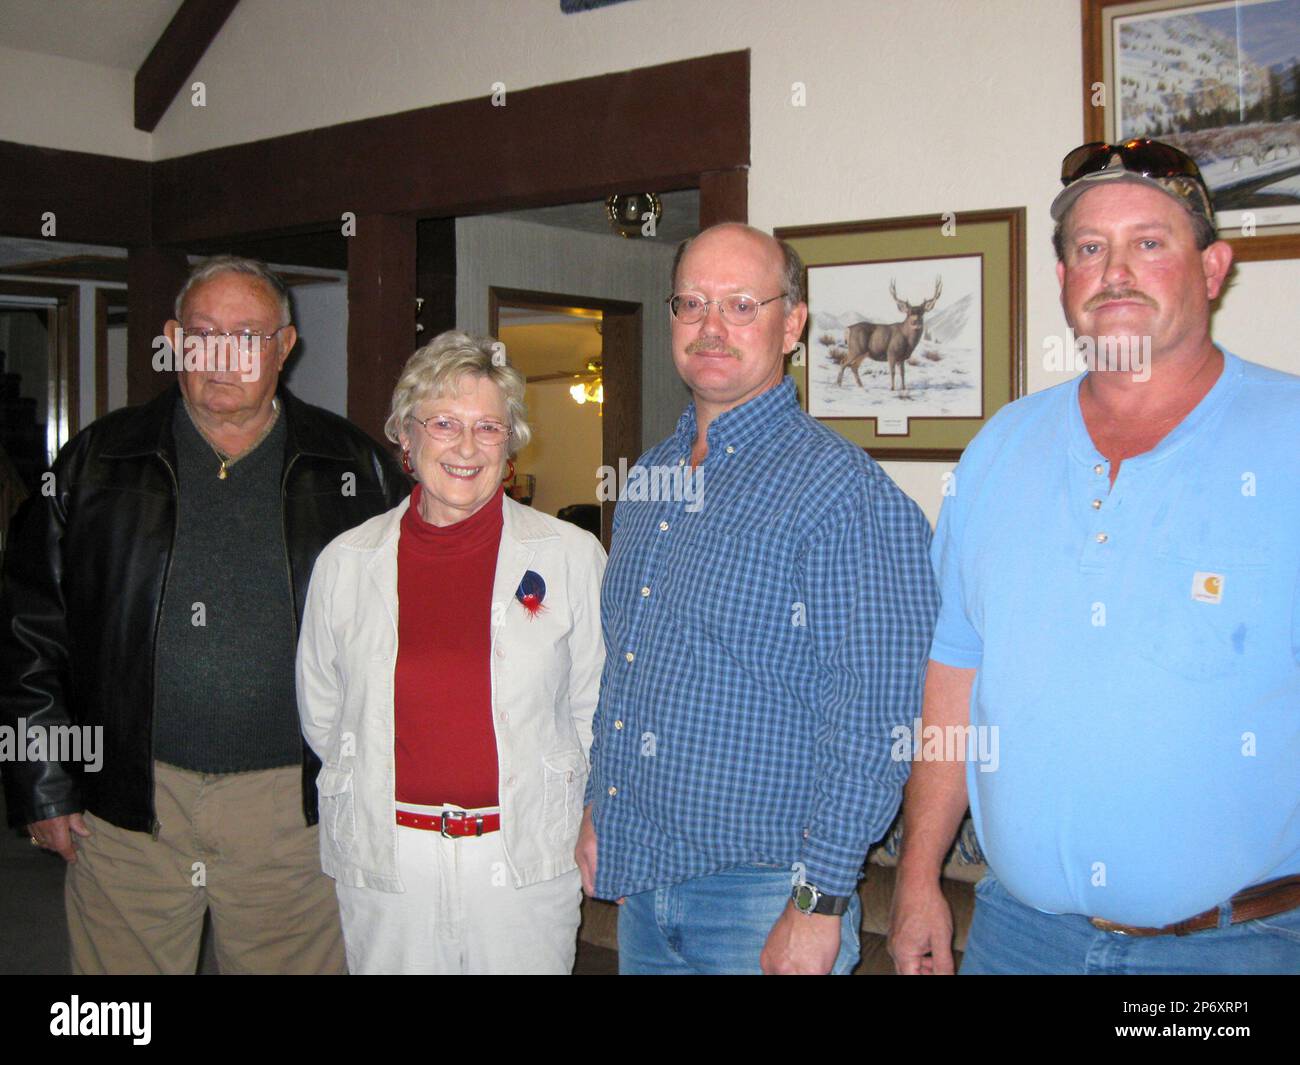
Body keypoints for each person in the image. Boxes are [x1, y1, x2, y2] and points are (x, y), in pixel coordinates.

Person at [888, 139, 1300, 975]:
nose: (1116, 270)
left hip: (1233, 949)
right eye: (1089, 248)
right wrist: (918, 874)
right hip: (1017, 936)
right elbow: (953, 679)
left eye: (1150, 242)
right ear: (1064, 280)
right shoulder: (999, 448)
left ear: (1213, 268)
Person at [0, 255, 408, 974]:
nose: (221, 354)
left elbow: (406, 637)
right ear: (172, 340)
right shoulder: (98, 461)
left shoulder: (353, 470)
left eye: (247, 335)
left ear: (284, 347)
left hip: (293, 810)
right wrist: (44, 778)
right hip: (127, 805)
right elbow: (29, 631)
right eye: (202, 333)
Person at [578, 223, 938, 975]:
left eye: (742, 304)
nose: (711, 327)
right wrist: (598, 804)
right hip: (646, 883)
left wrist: (819, 904)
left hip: (766, 897)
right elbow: (630, 664)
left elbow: (875, 718)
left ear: (793, 323)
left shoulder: (843, 493)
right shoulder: (651, 475)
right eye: (692, 303)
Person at [296, 331, 605, 974]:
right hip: (391, 861)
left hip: (522, 859)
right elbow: (325, 715)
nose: (467, 447)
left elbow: (596, 707)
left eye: (489, 427)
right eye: (444, 423)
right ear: (406, 439)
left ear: (511, 443)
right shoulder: (347, 563)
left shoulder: (571, 556)